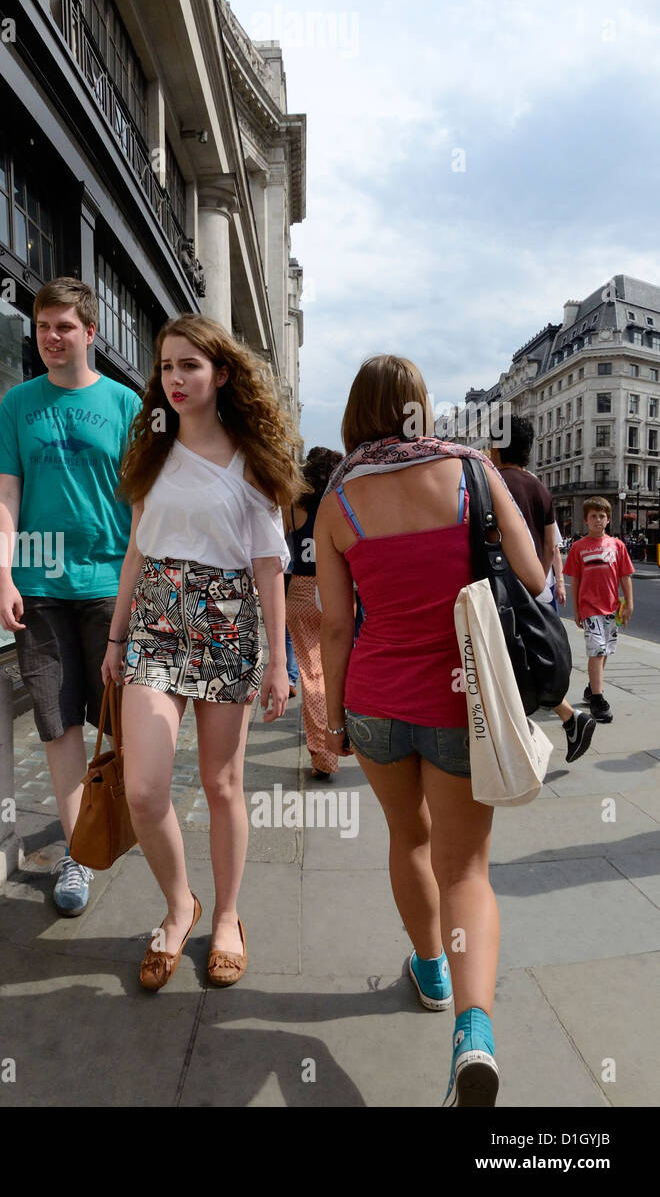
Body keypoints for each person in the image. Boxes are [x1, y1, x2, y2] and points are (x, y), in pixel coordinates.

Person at [314, 355, 545, 1106]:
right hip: (462, 700)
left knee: (406, 840)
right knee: (467, 869)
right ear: (421, 407)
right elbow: (536, 580)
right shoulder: (474, 473)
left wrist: (337, 716)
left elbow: (338, 626)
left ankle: (430, 971)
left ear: (355, 413)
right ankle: (474, 1033)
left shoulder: (338, 499)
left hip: (377, 698)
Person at [101, 314, 303, 991]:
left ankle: (226, 916)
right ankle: (178, 904)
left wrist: (278, 661)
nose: (175, 378)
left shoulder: (252, 463)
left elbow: (271, 566)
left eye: (189, 365)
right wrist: (116, 634)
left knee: (221, 785)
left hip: (227, 620)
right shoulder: (153, 453)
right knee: (146, 786)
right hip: (157, 617)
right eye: (165, 367)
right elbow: (135, 548)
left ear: (220, 374)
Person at [0, 277, 142, 917]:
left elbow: (144, 502)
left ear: (90, 333)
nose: (51, 337)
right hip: (42, 589)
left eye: (64, 326)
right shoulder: (19, 405)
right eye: (43, 325)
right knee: (58, 727)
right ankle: (78, 853)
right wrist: (2, 574)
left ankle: (130, 818)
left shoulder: (126, 404)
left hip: (111, 588)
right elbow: (4, 491)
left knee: (123, 724)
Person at [488, 416, 594, 761]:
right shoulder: (539, 487)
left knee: (504, 666)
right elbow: (551, 544)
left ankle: (523, 745)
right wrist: (544, 579)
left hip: (498, 589)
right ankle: (569, 719)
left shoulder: (489, 483)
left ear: (495, 447)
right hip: (535, 587)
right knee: (528, 663)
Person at [283, 447, 343, 780]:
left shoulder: (292, 508)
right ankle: (346, 736)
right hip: (335, 590)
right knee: (340, 667)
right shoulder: (340, 505)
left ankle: (323, 755)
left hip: (302, 590)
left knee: (311, 672)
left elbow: (279, 551)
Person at [564, 497, 635, 725]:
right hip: (589, 608)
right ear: (586, 520)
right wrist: (576, 609)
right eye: (593, 516)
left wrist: (629, 603)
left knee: (604, 652)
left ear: (608, 519)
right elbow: (574, 581)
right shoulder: (578, 547)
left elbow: (625, 576)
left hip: (612, 608)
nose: (598, 520)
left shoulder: (617, 546)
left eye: (602, 516)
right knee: (596, 651)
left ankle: (591, 688)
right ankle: (597, 699)